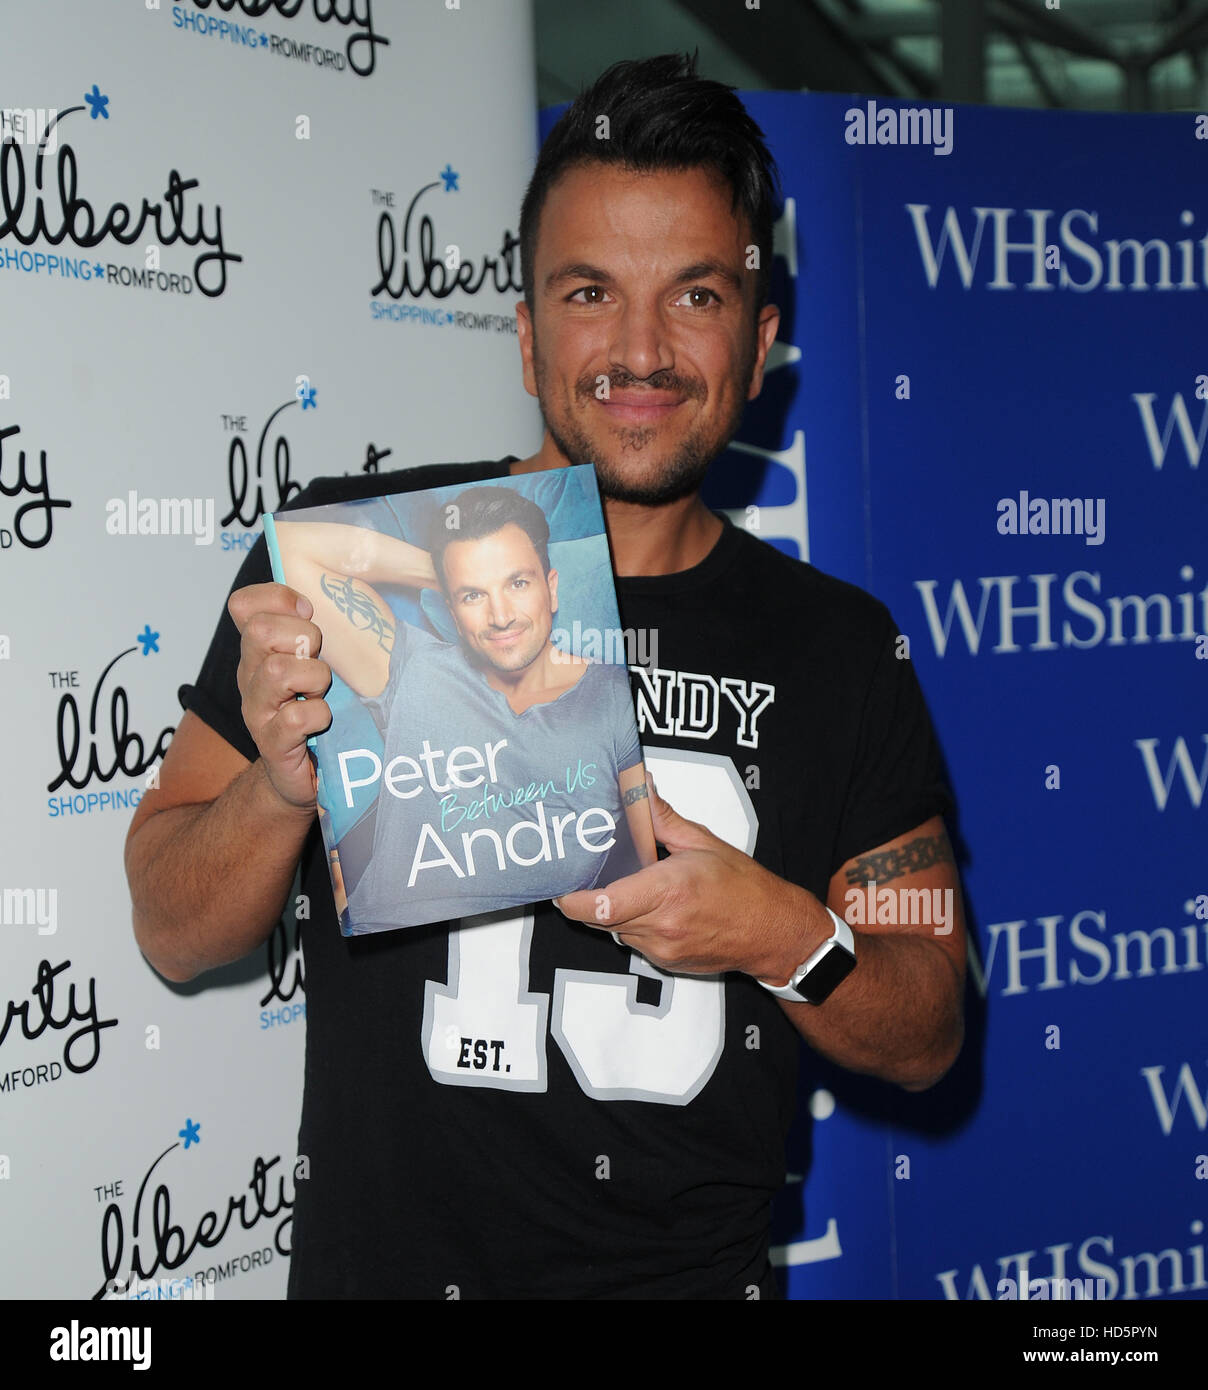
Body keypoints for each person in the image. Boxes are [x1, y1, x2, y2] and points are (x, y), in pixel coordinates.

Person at [125, 51, 965, 1299]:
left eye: (692, 296)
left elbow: (929, 1029)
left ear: (757, 336)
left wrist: (784, 934)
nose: (638, 350)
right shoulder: (355, 568)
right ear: (524, 335)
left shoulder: (839, 645)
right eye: (587, 293)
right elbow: (171, 927)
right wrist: (279, 790)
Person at [271, 484, 654, 931]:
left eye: (517, 582)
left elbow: (644, 879)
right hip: (380, 953)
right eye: (473, 596)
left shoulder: (611, 696)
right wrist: (444, 574)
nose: (501, 616)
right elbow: (288, 547)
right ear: (452, 609)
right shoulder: (415, 668)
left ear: (551, 588)